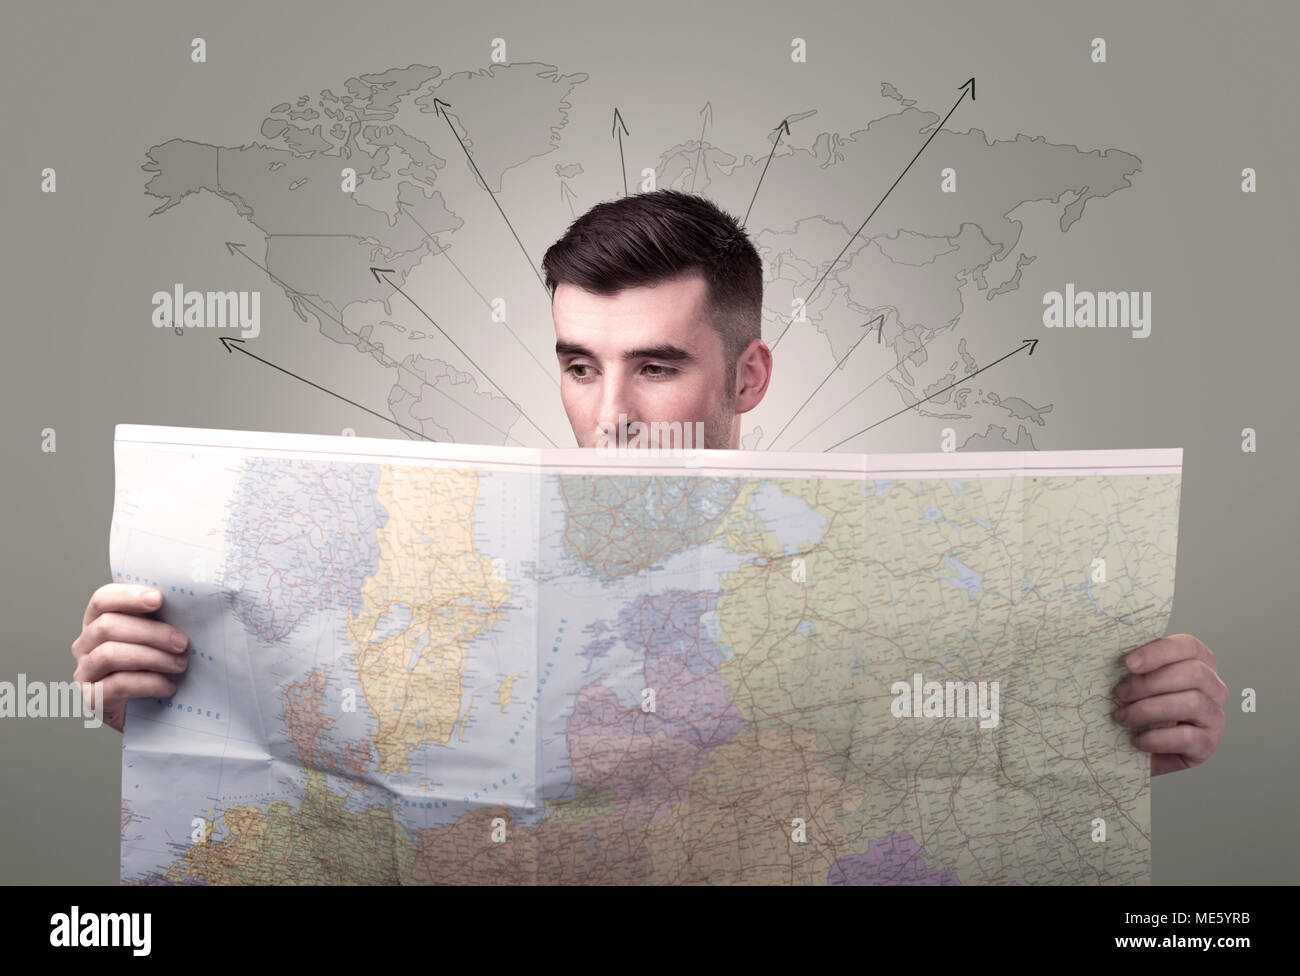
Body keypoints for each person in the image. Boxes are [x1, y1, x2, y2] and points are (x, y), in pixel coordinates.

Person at [71, 189, 1227, 775]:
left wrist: (1118, 733)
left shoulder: (894, 570)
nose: (610, 416)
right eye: (580, 365)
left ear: (749, 370)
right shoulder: (447, 565)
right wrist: (173, 702)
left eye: (657, 365)